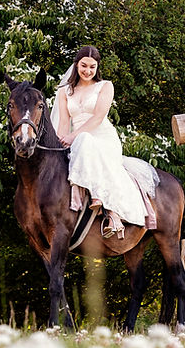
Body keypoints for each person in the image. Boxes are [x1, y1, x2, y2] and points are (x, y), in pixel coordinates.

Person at [52, 46, 156, 239]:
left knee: (83, 140)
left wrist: (73, 137)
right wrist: (60, 142)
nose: (87, 71)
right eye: (84, 66)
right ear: (76, 65)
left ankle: (105, 206)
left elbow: (98, 118)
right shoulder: (65, 91)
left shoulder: (105, 86)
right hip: (79, 140)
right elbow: (64, 122)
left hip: (102, 137)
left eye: (92, 67)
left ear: (97, 67)